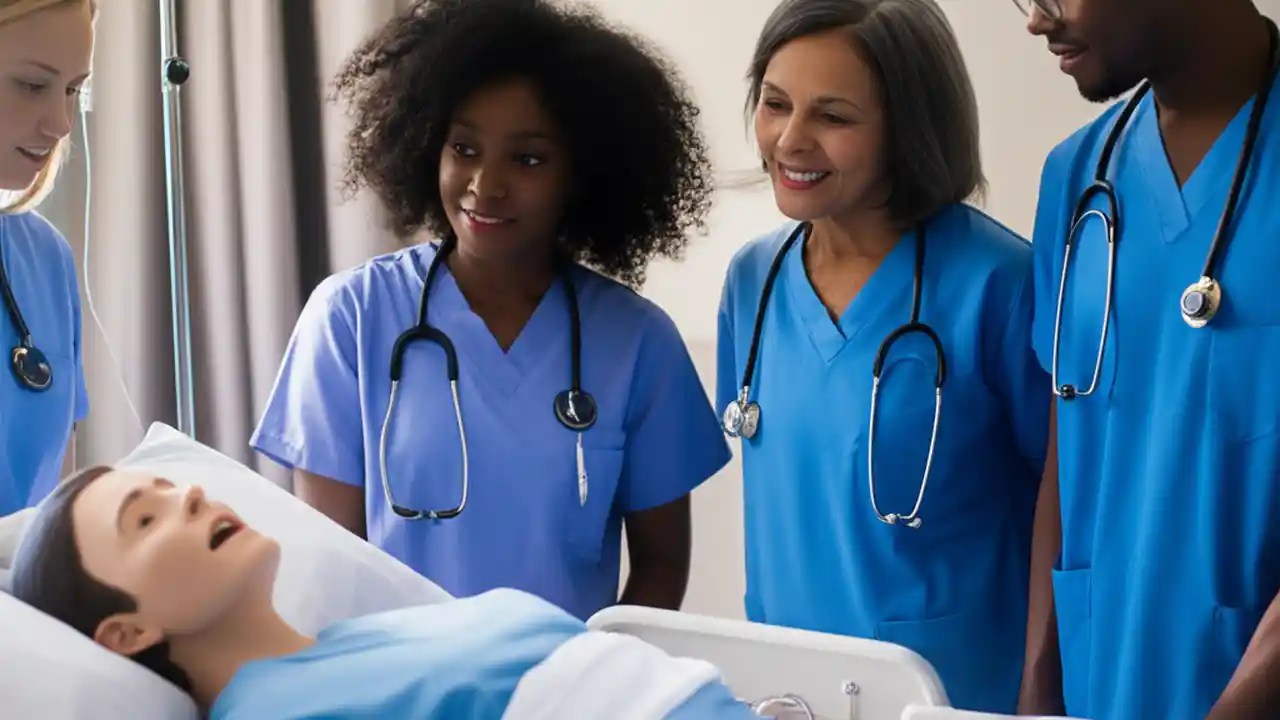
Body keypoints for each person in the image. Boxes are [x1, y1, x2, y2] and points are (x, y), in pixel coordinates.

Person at [250, 0, 729, 622]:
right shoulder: (351, 317)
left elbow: (662, 566)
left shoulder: (638, 343)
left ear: (581, 175)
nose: (485, 184)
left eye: (527, 159)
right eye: (464, 148)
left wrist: (594, 679)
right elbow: (330, 560)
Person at [716, 0, 1047, 712]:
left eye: (833, 117)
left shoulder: (1000, 285)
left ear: (909, 129)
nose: (790, 140)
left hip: (948, 691)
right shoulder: (753, 280)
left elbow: (1066, 510)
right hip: (785, 687)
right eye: (776, 104)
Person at [1014, 1, 1280, 718]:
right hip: (1103, 683)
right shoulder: (1076, 176)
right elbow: (1066, 447)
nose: (1037, 20)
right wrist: (1038, 687)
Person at [8, 466, 758, 719]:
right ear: (126, 633)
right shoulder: (273, 712)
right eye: (146, 519)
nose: (193, 499)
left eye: (174, 487)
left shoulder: (357, 638)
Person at [0, 0, 94, 516]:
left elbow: (56, 511)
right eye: (33, 86)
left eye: (73, 89)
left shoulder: (45, 261)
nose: (61, 122)